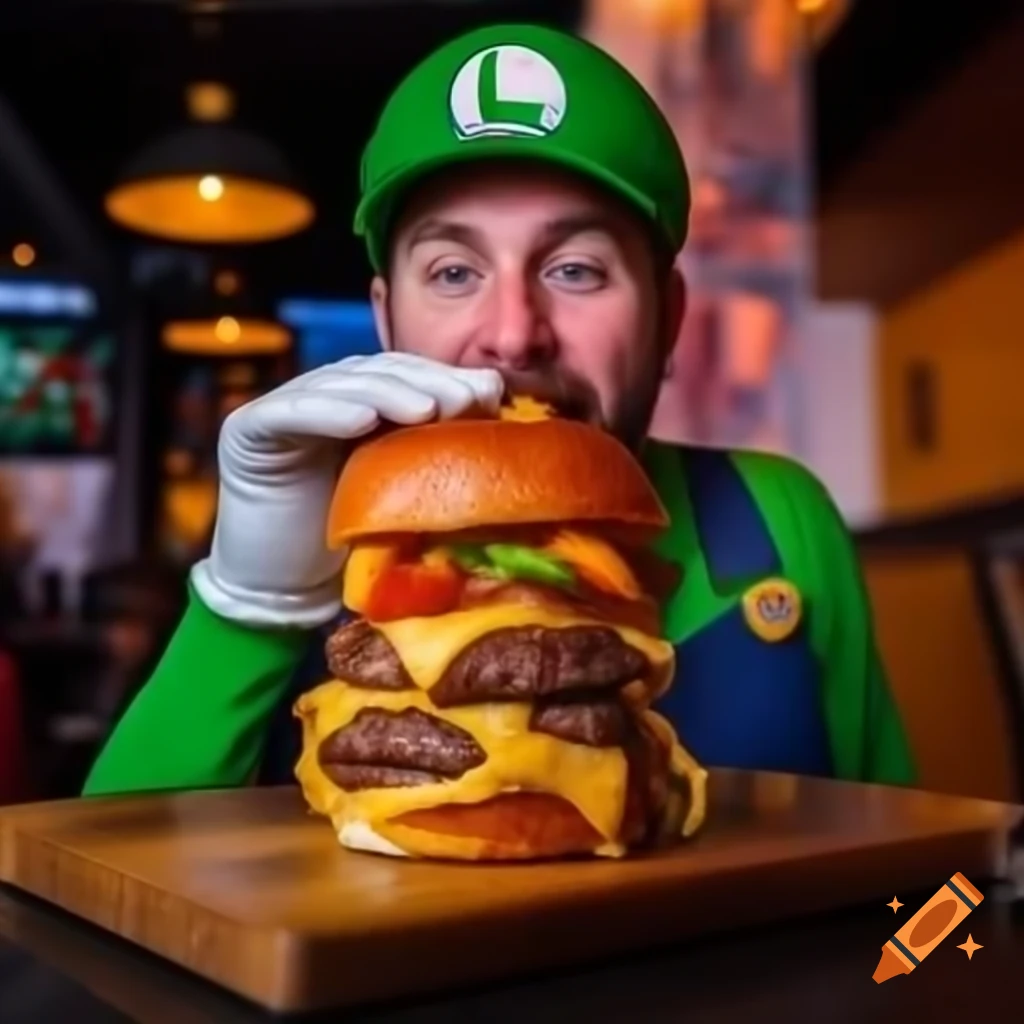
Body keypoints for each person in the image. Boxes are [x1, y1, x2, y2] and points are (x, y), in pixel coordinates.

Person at [83, 23, 915, 797]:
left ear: (666, 320)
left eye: (576, 269)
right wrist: (250, 607)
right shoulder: (312, 537)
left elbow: (938, 879)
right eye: (454, 273)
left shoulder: (777, 522)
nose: (514, 335)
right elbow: (102, 882)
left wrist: (940, 923)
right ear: (387, 324)